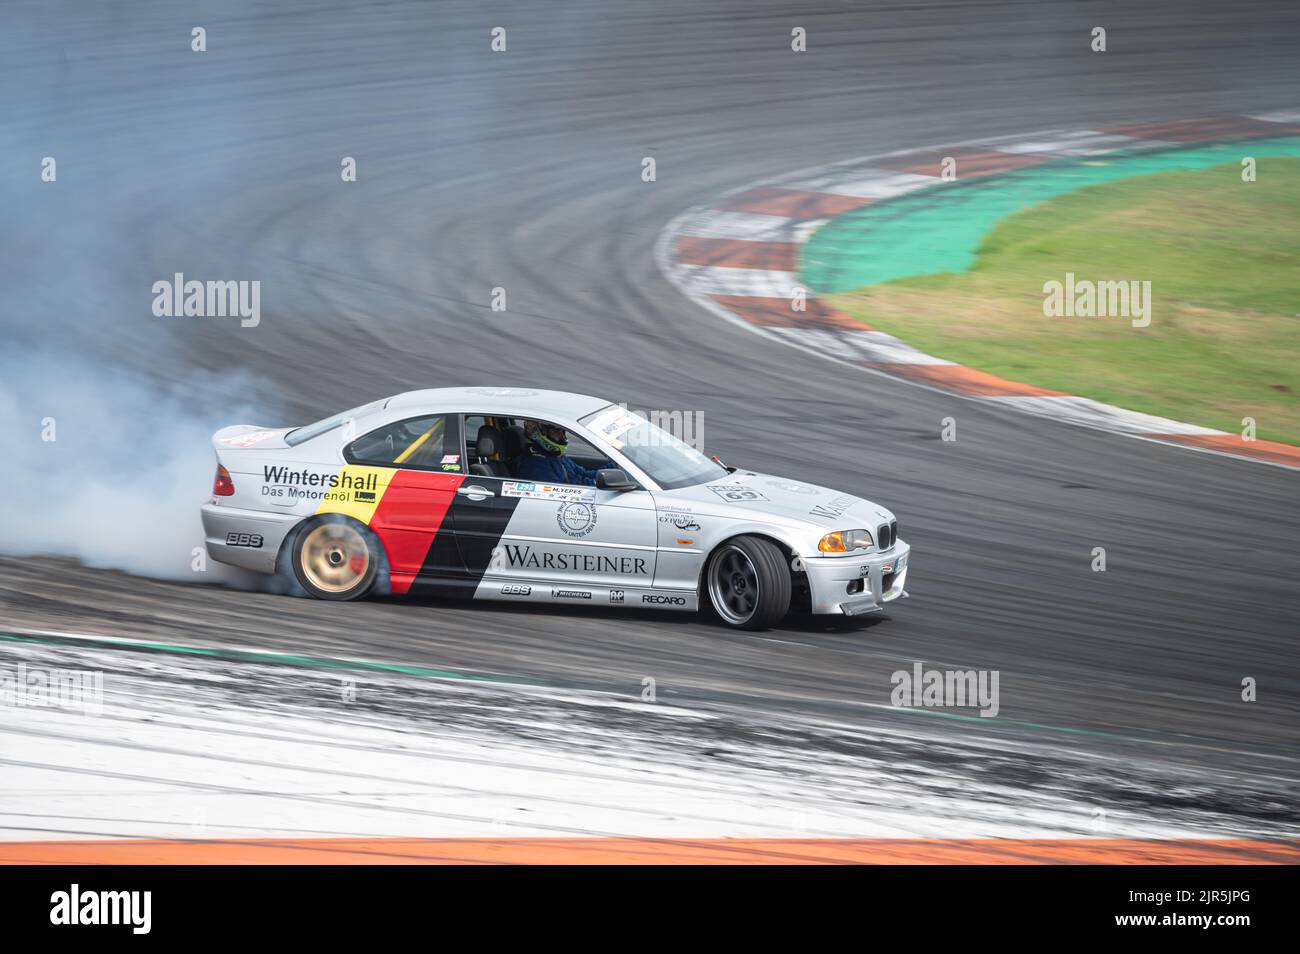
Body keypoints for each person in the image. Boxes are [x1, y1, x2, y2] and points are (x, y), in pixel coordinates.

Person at [516, 420, 602, 486]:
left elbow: (582, 473)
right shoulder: (534, 465)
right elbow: (563, 490)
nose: (562, 437)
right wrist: (594, 483)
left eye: (562, 432)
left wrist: (611, 467)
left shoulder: (555, 455)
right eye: (555, 432)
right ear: (536, 432)